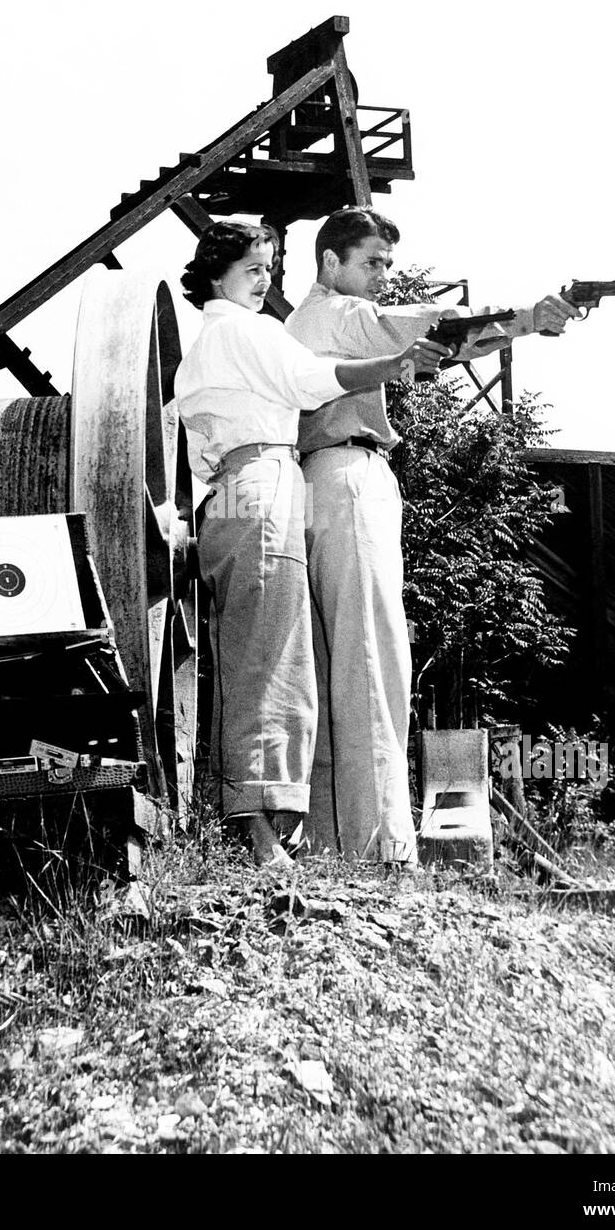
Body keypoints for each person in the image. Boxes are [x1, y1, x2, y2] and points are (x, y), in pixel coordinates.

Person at [286, 207, 578, 868]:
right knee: (371, 656)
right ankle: (381, 846)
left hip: (317, 480)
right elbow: (437, 332)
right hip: (349, 473)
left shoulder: (304, 325)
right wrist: (528, 320)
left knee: (337, 661)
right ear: (331, 263)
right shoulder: (340, 313)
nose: (382, 277)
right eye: (371, 262)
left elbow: (424, 350)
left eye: (387, 264)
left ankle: (340, 844)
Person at [174, 221, 447, 866]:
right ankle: (262, 834)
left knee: (251, 650)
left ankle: (265, 820)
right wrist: (395, 363)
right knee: (277, 658)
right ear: (217, 277)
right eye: (252, 268)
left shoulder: (203, 348)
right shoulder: (245, 330)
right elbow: (311, 382)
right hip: (266, 481)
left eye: (269, 267)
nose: (265, 279)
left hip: (226, 492)